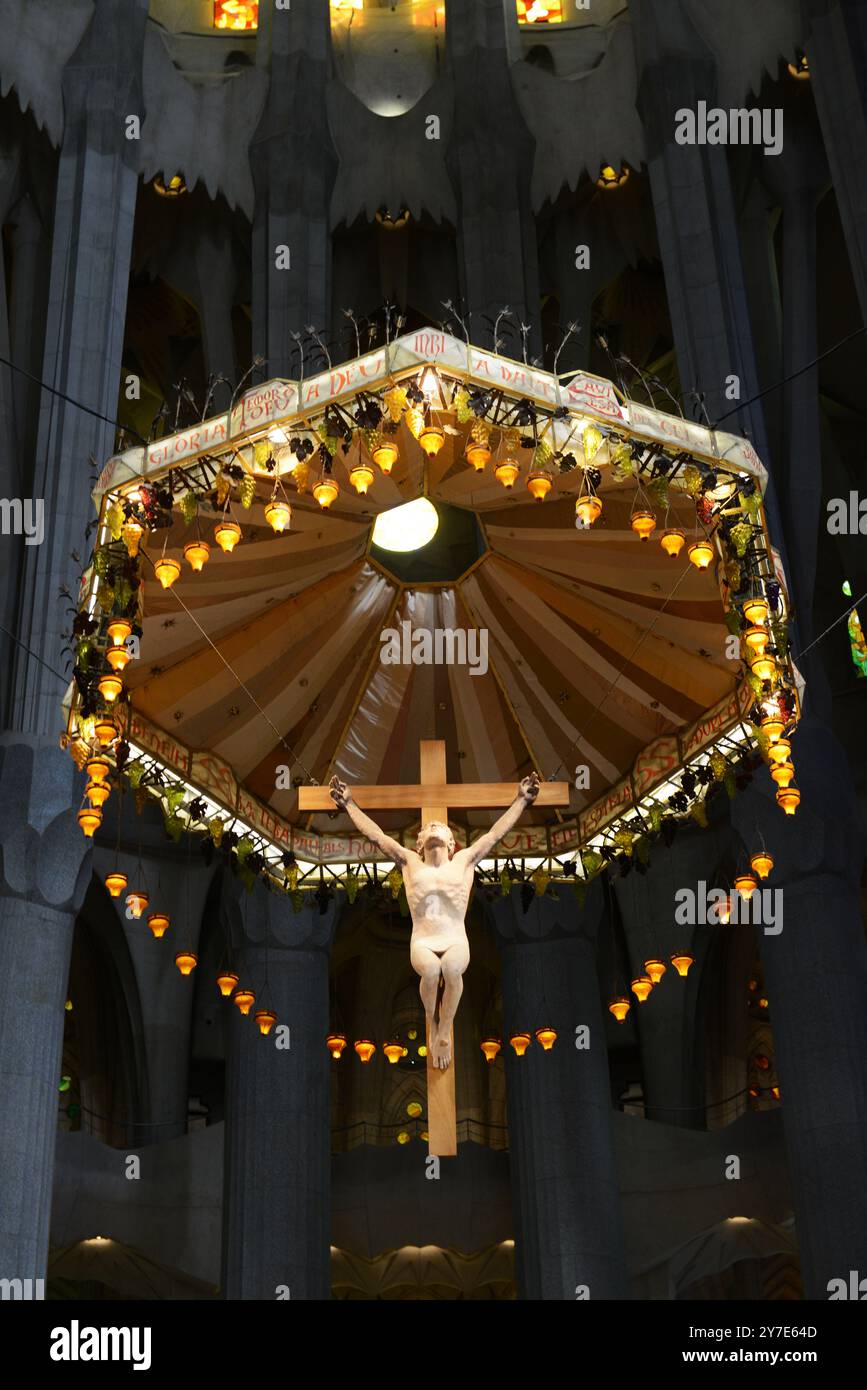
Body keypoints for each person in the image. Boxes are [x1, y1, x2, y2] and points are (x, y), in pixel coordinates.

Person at [329, 772, 541, 1069]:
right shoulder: (409, 862)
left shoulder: (464, 860)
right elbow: (377, 836)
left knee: (452, 969)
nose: (432, 828)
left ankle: (444, 1029)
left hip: (455, 938)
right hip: (424, 940)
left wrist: (521, 800)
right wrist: (349, 804)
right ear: (418, 844)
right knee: (430, 972)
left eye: (438, 827)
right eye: (428, 827)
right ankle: (431, 1018)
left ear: (452, 842)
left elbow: (495, 835)